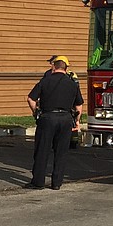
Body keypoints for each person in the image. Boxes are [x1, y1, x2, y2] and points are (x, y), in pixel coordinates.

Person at [26, 55, 84, 190]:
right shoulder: (72, 83)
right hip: (65, 119)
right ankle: (57, 183)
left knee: (42, 150)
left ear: (53, 66)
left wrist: (36, 112)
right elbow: (79, 106)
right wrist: (77, 121)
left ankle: (38, 182)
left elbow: (30, 99)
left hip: (48, 118)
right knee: (61, 152)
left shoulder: (45, 81)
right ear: (66, 68)